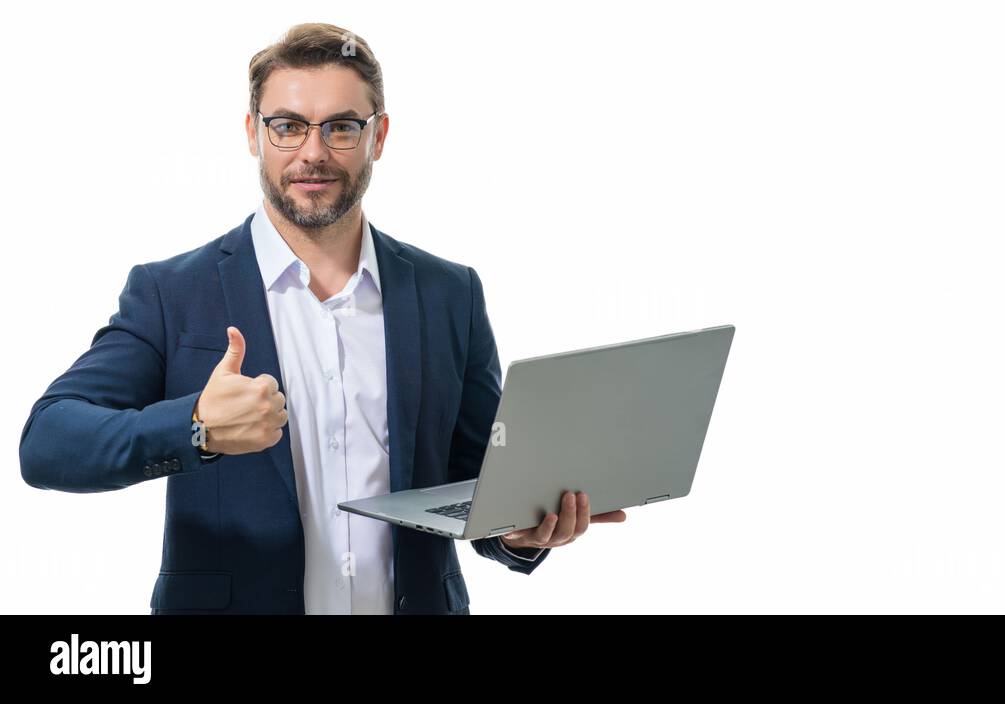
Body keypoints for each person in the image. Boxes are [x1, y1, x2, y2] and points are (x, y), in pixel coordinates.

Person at [18, 22, 626, 614]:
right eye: (287, 126)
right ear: (254, 133)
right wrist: (196, 426)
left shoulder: (449, 293)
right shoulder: (172, 292)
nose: (313, 153)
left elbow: (475, 481)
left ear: (378, 136)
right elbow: (49, 441)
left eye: (341, 127)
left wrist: (519, 531)